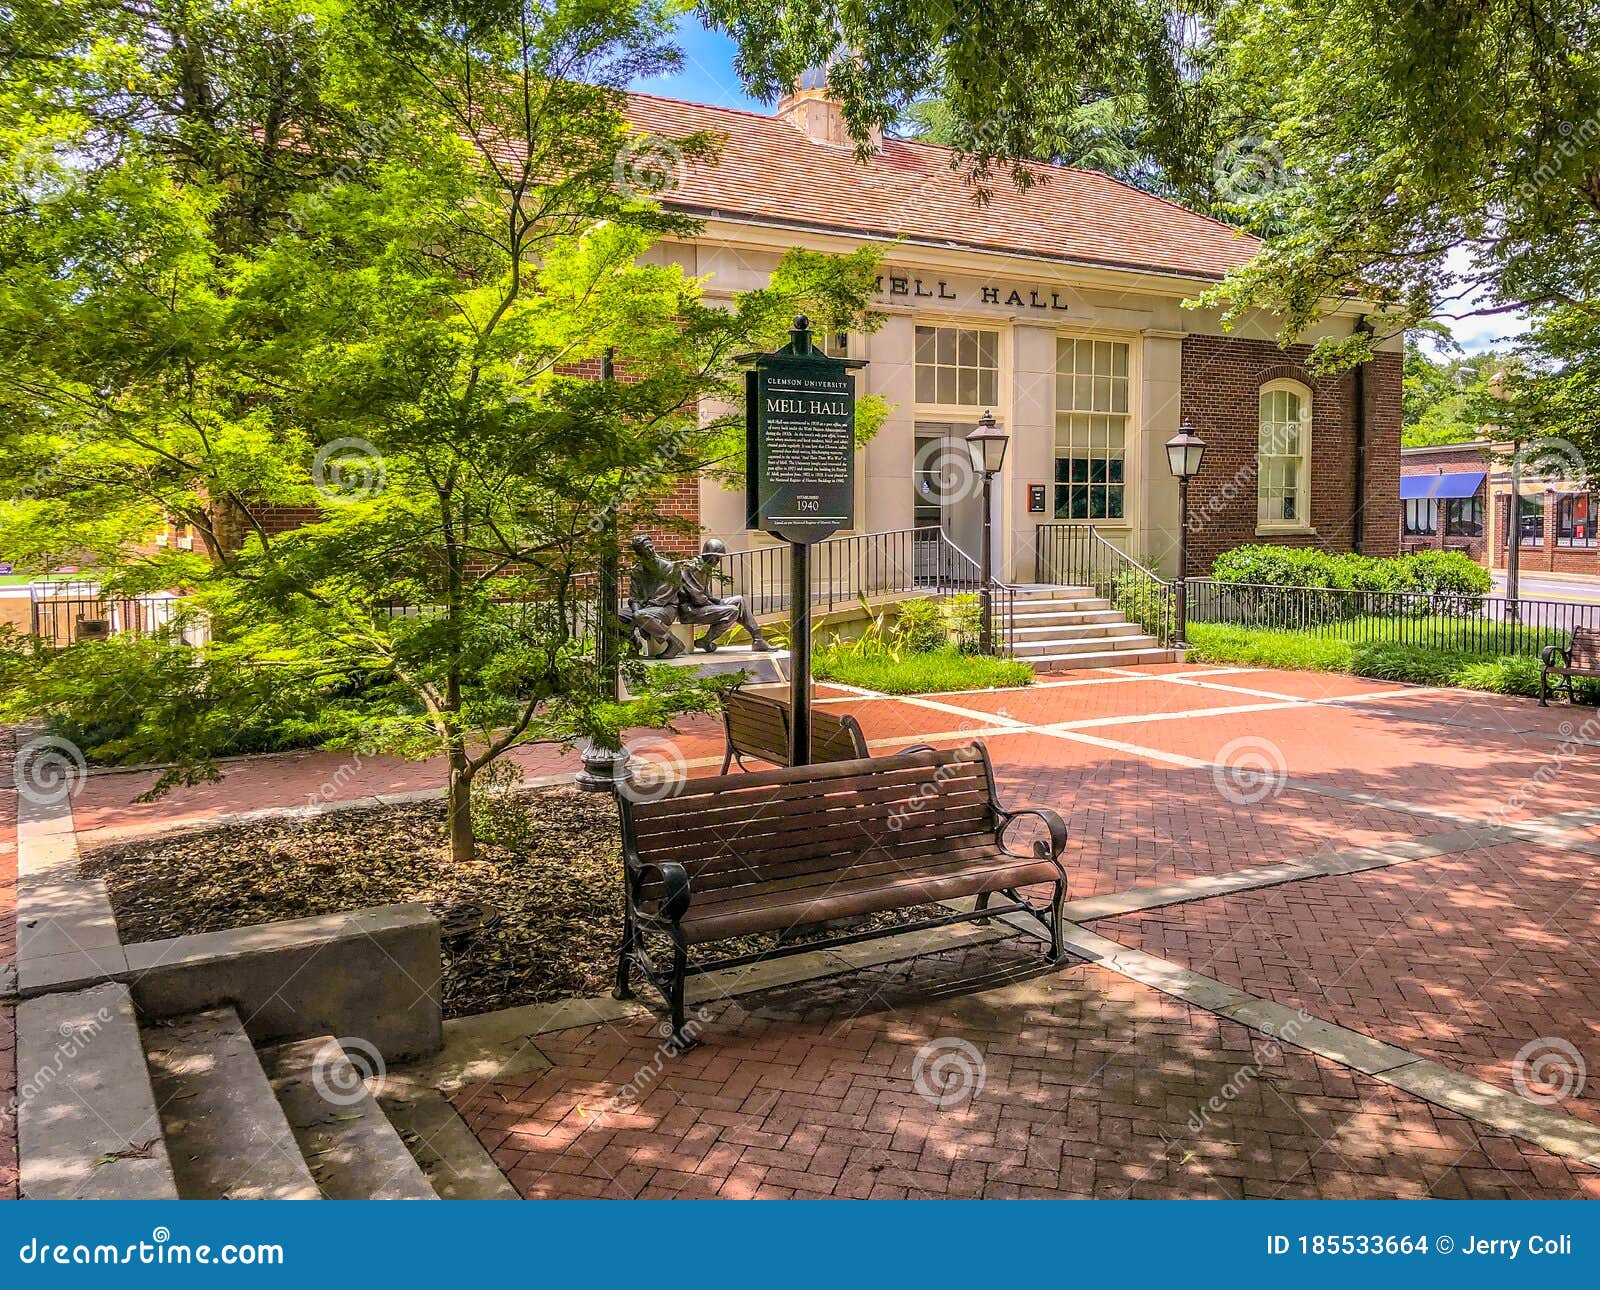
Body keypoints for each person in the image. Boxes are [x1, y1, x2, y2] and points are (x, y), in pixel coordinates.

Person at [677, 538, 772, 652]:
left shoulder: (706, 568)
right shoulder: (692, 569)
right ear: (708, 555)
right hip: (690, 611)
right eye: (716, 557)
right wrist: (718, 606)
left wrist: (718, 602)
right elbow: (698, 598)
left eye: (719, 558)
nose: (718, 561)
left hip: (702, 606)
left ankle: (758, 639)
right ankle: (706, 641)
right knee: (731, 611)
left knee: (739, 600)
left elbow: (706, 595)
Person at [619, 534, 685, 658]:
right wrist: (636, 611)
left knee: (640, 615)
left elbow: (663, 597)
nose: (650, 551)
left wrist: (638, 616)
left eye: (651, 547)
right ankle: (634, 642)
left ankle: (674, 643)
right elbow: (634, 597)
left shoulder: (669, 567)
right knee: (617, 616)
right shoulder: (637, 570)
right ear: (639, 553)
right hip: (644, 608)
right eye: (645, 549)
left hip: (666, 608)